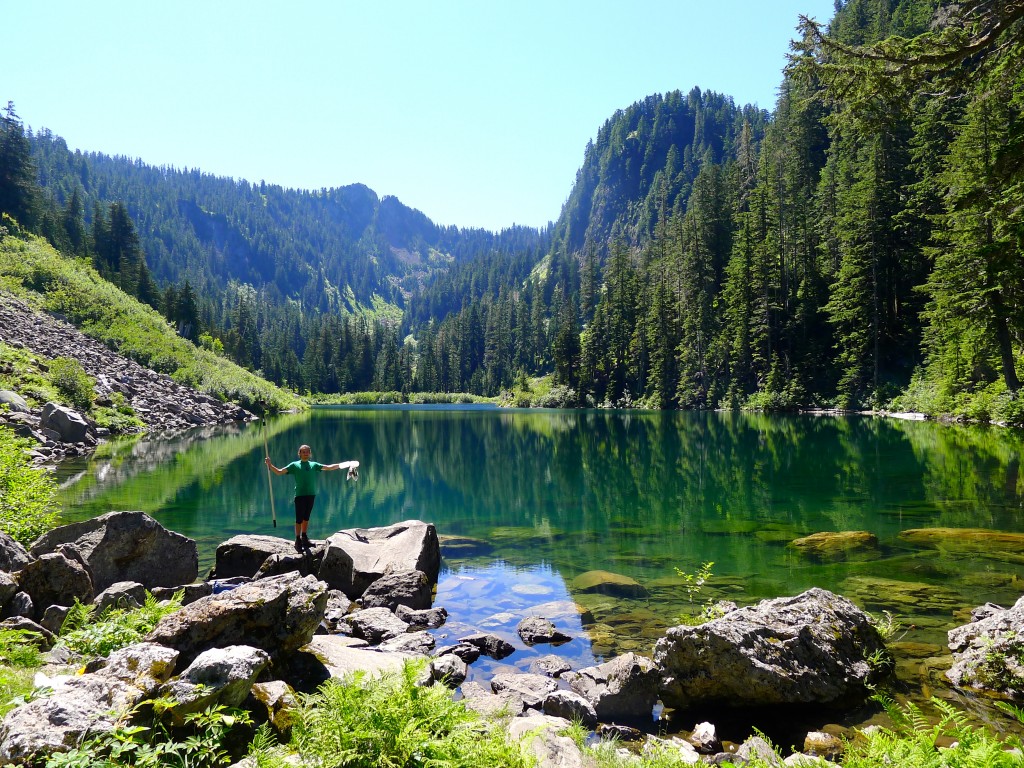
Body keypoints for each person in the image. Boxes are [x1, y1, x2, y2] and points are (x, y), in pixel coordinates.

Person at [265, 444, 359, 551]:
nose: (305, 454)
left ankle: (304, 537)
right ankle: (297, 540)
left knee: (306, 517)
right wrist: (270, 465)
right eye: (303, 452)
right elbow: (279, 472)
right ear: (299, 453)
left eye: (307, 452)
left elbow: (328, 468)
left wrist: (344, 465)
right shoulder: (294, 465)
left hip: (311, 494)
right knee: (299, 519)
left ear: (310, 454)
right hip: (300, 495)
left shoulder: (314, 465)